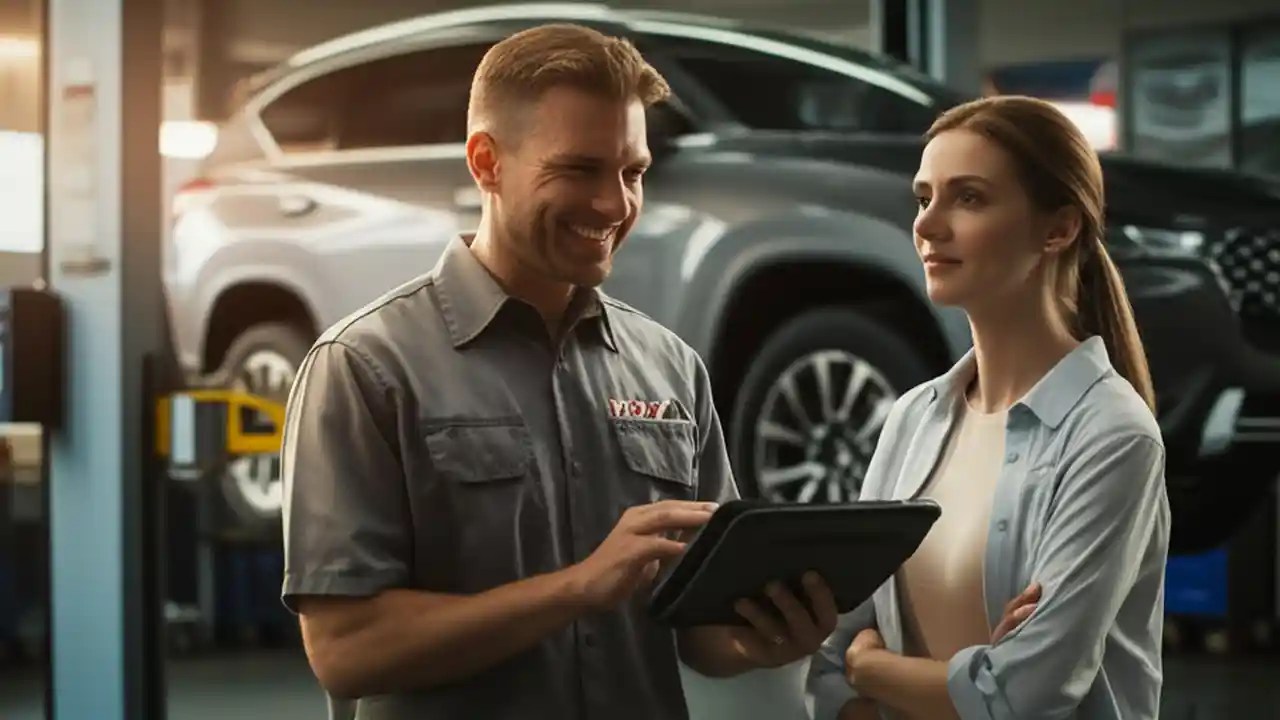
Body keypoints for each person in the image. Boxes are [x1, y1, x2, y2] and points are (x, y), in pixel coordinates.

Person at [278, 23, 839, 720]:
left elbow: (702, 634)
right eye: (579, 170)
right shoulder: (363, 368)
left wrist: (773, 633)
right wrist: (577, 588)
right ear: (486, 162)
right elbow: (346, 649)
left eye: (632, 172)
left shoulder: (669, 368)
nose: (615, 205)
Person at [807, 95, 1170, 720]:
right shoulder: (914, 418)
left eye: (968, 198)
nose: (926, 224)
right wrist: (956, 682)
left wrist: (874, 668)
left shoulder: (1112, 436)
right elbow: (826, 667)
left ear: (1058, 228)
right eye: (924, 198)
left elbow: (1028, 693)